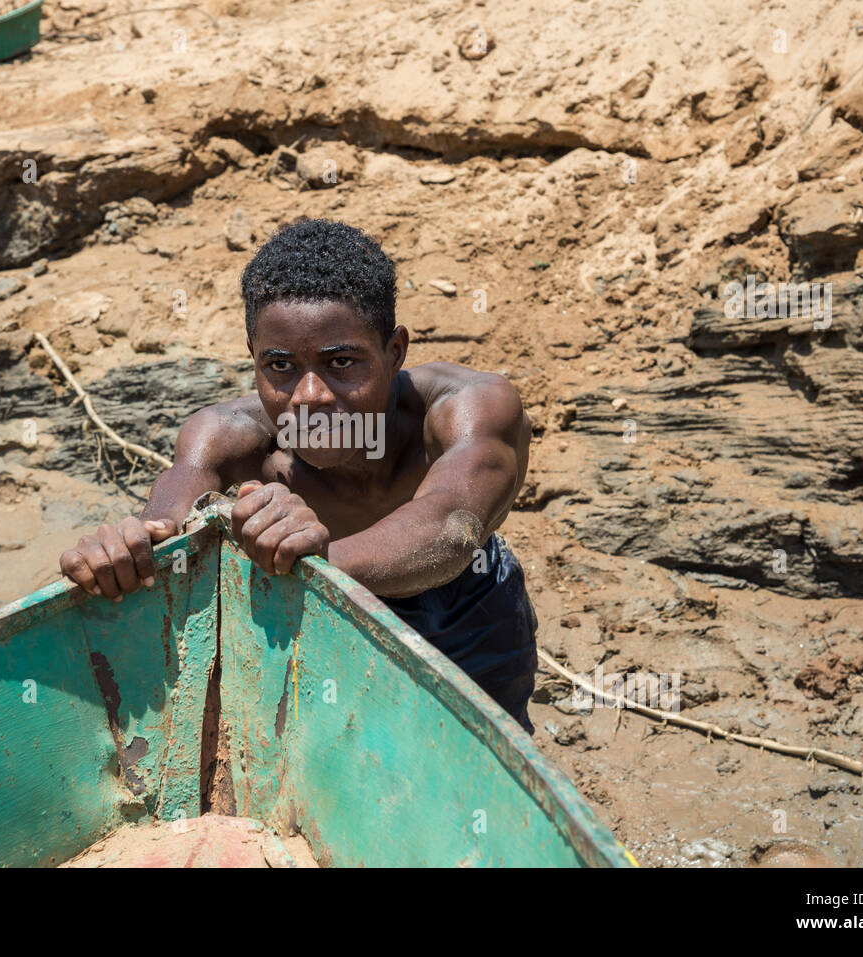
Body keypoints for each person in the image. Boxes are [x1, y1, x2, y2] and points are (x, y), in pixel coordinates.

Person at [59, 218, 538, 733]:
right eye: (281, 366)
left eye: (341, 362)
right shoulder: (229, 435)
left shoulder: (468, 406)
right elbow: (166, 526)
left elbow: (449, 526)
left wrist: (314, 559)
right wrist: (126, 554)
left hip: (465, 608)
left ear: (394, 351)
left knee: (484, 763)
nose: (311, 396)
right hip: (309, 610)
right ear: (255, 360)